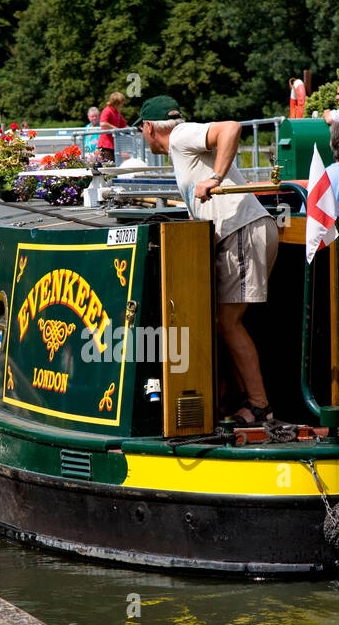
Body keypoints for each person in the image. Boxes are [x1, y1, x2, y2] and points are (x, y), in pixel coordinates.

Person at [135, 95, 280, 425]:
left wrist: (214, 178)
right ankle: (240, 398)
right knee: (224, 323)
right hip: (239, 232)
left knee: (228, 323)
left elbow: (231, 128)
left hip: (241, 230)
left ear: (148, 127)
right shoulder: (179, 150)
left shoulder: (181, 135)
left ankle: (260, 406)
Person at [98, 91, 127, 164]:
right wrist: (116, 129)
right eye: (121, 103)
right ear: (116, 103)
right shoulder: (107, 111)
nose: (122, 105)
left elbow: (124, 125)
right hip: (106, 146)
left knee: (116, 166)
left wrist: (135, 130)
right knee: (108, 167)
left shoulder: (117, 113)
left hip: (114, 145)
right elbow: (103, 123)